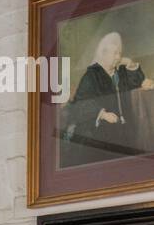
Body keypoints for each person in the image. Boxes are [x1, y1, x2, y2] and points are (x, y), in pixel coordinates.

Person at [64, 31, 154, 165]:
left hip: (122, 128)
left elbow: (136, 81)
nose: (118, 57)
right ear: (104, 55)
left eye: (119, 53)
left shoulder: (119, 71)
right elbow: (80, 103)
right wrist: (102, 114)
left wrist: (131, 65)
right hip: (97, 131)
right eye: (115, 53)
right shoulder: (91, 75)